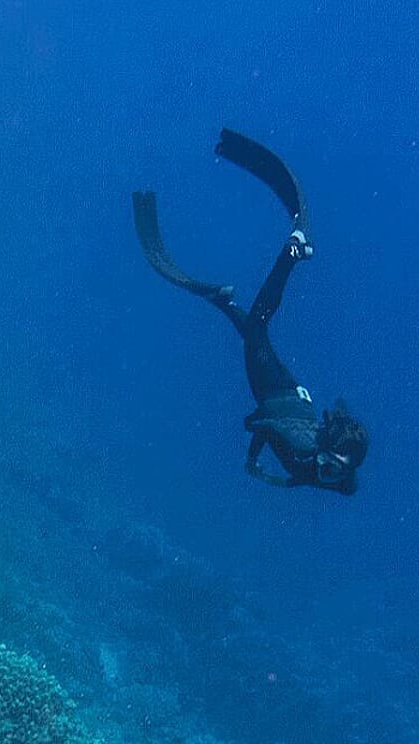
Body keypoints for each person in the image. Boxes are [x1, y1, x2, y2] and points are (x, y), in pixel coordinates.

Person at [132, 128, 368, 494]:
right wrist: (254, 446)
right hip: (273, 393)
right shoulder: (304, 446)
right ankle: (292, 252)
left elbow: (301, 454)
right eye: (329, 464)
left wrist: (261, 464)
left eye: (335, 471)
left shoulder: (342, 483)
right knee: (257, 328)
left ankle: (224, 300)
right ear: (322, 449)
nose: (326, 472)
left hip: (292, 393)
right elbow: (264, 426)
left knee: (254, 337)